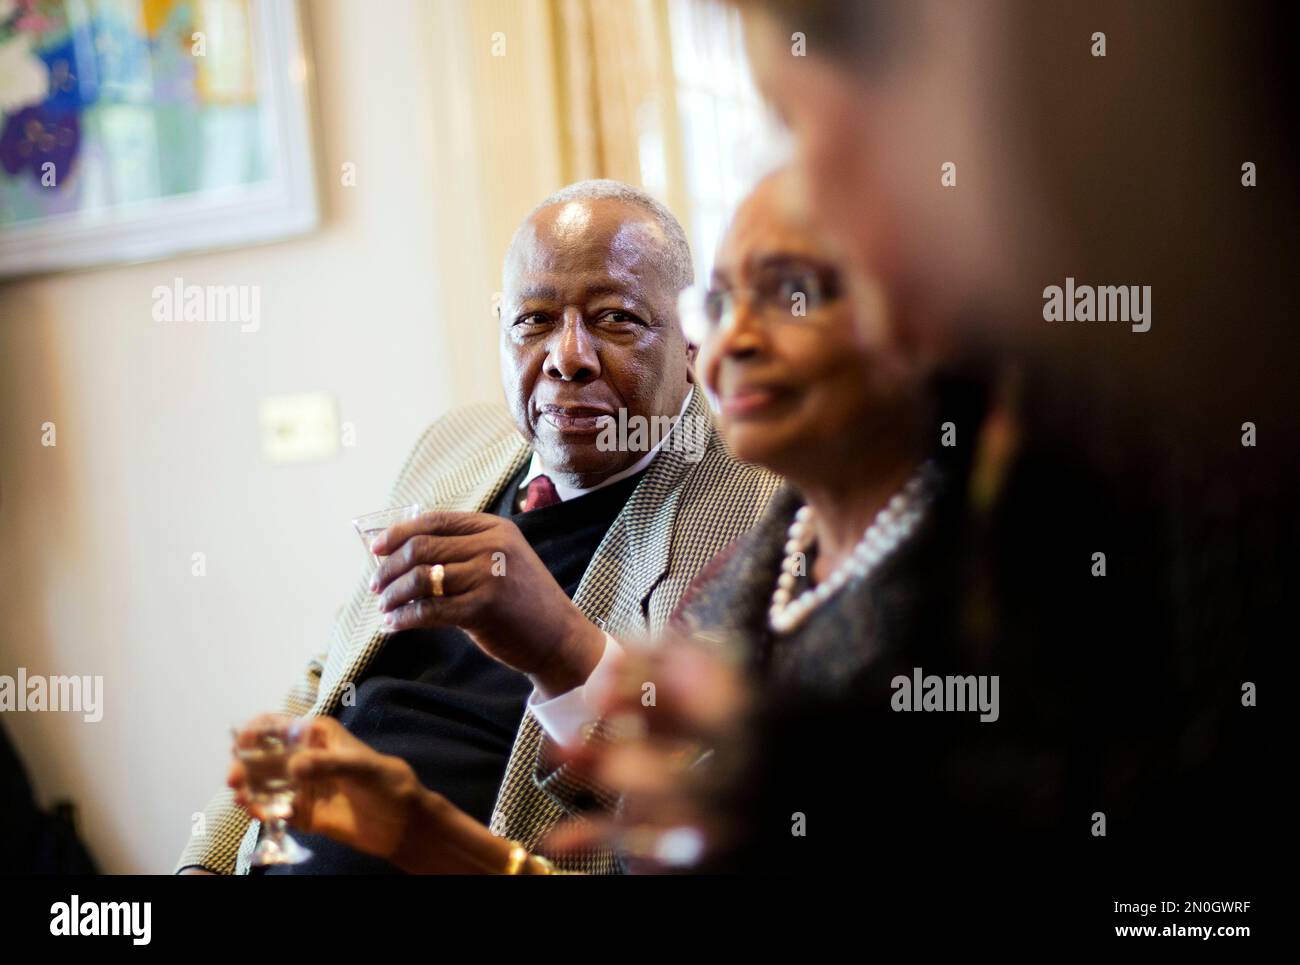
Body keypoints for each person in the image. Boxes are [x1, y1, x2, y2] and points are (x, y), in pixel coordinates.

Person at [553, 0, 1285, 874]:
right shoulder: (758, 563)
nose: (812, 179)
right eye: (721, 300)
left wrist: (822, 792)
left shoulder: (1181, 419)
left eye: (796, 288)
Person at [179, 179, 779, 874]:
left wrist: (560, 644)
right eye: (534, 320)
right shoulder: (454, 445)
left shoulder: (762, 513)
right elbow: (326, 672)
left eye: (614, 317)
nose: (567, 356)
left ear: (690, 345)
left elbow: (696, 801)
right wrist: (209, 860)